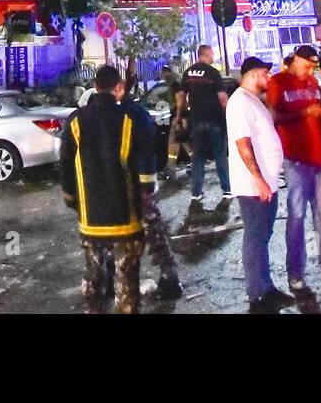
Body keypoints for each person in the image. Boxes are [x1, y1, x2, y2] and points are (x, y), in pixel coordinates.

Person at [60, 65, 152, 314]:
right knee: (127, 286)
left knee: (94, 280)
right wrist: (147, 196)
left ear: (95, 87)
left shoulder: (75, 121)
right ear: (117, 88)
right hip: (126, 219)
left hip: (90, 220)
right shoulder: (128, 120)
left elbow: (65, 166)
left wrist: (72, 200)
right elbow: (144, 166)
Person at [266, 44, 321, 290]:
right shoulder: (278, 82)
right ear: (295, 60)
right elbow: (273, 117)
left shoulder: (313, 84)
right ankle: (295, 271)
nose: (309, 72)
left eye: (313, 68)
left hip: (319, 158)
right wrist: (305, 112)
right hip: (296, 159)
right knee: (296, 216)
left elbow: (320, 111)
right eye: (307, 66)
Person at [227, 56, 292, 312]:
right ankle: (257, 296)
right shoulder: (240, 102)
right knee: (255, 238)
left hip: (267, 182)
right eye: (266, 74)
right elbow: (243, 145)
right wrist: (258, 179)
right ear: (253, 74)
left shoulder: (254, 101)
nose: (269, 78)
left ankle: (267, 289)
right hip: (254, 186)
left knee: (263, 237)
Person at [116, 68, 183, 300]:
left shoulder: (131, 113)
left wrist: (146, 183)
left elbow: (145, 148)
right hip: (133, 183)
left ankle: (169, 279)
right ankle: (160, 277)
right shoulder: (126, 111)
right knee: (147, 230)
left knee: (151, 229)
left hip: (138, 183)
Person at [179, 45, 231, 205]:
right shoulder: (213, 73)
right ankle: (227, 190)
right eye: (212, 54)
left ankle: (196, 192)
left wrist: (180, 116)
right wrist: (230, 115)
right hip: (214, 120)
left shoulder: (188, 73)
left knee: (198, 157)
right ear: (206, 54)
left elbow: (181, 97)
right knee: (220, 154)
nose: (213, 57)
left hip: (196, 122)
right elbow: (223, 99)